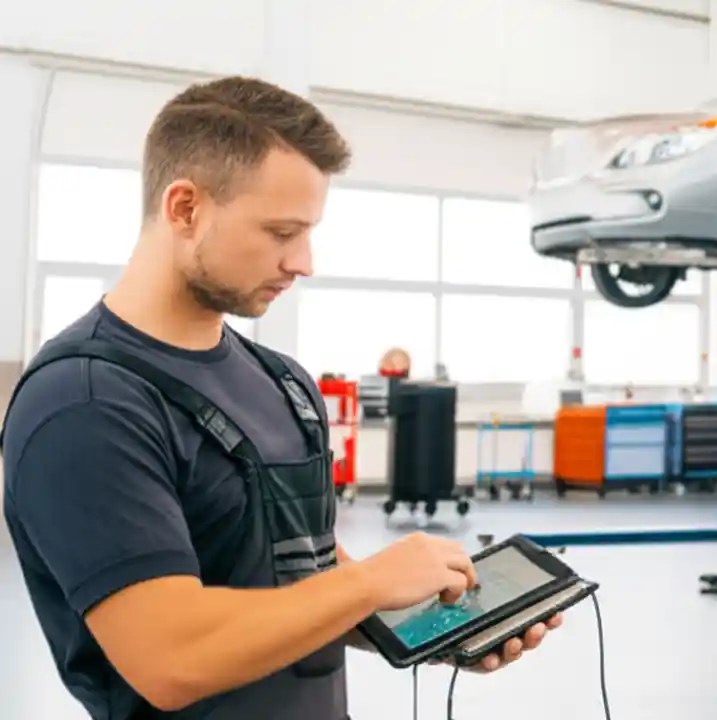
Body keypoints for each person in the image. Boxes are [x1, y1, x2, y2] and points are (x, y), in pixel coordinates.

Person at [0, 76, 560, 719]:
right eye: (281, 231)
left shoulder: (283, 384)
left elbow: (311, 591)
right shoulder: (85, 404)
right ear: (184, 208)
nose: (304, 261)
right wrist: (370, 582)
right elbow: (169, 657)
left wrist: (436, 622)